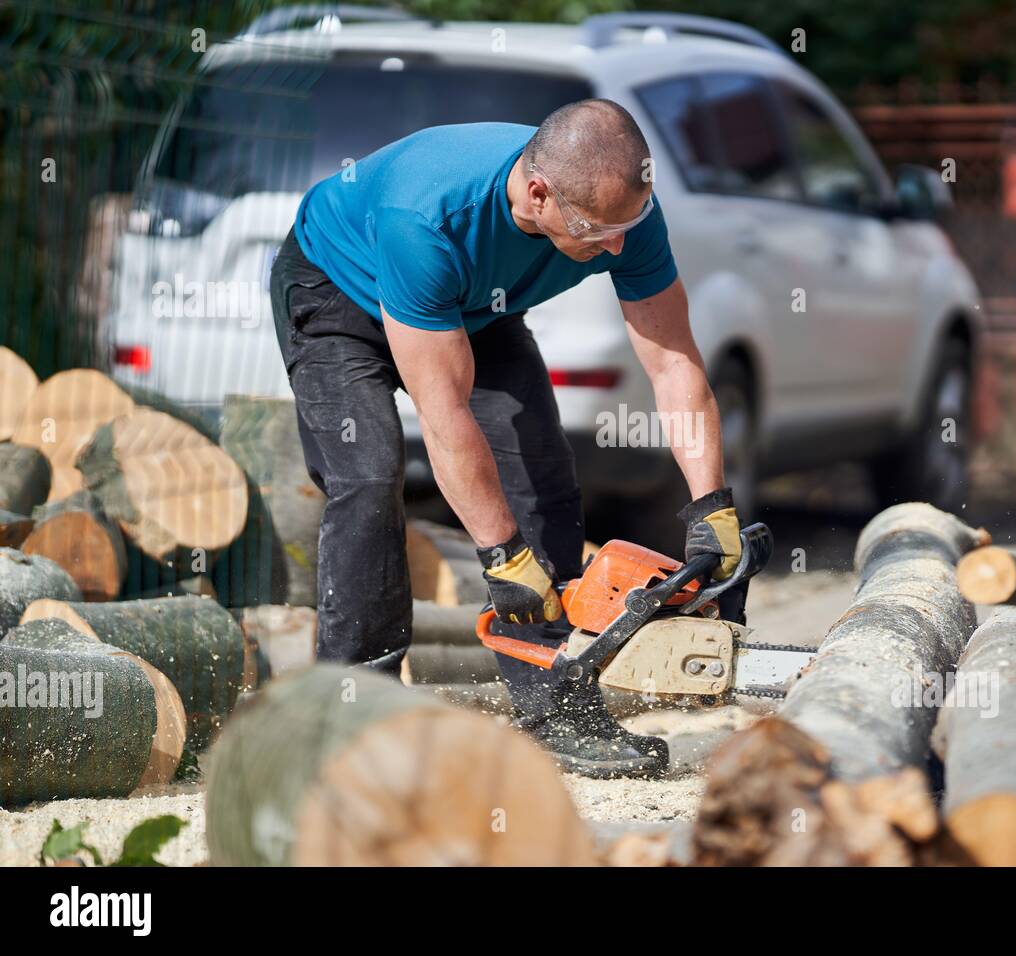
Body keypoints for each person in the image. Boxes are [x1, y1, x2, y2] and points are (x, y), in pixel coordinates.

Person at [269, 99, 741, 778]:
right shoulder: (428, 216)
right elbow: (444, 414)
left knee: (541, 476)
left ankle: (559, 711)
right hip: (339, 290)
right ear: (539, 192)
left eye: (625, 227)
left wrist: (709, 504)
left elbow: (672, 362)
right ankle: (345, 719)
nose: (615, 247)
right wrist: (502, 556)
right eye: (595, 230)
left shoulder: (623, 215)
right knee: (370, 479)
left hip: (473, 306)